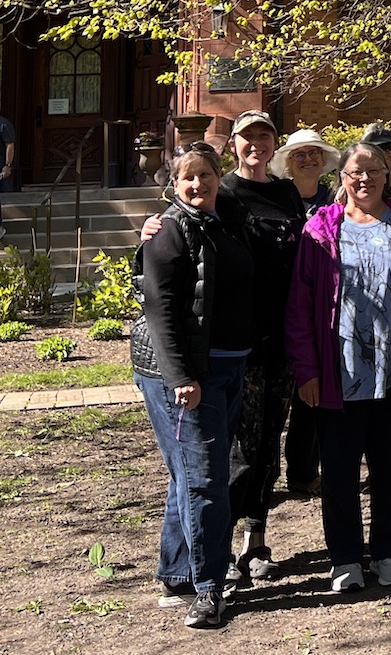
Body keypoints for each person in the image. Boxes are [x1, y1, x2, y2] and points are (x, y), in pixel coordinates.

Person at [285, 141, 391, 593]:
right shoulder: (320, 229)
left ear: (386, 175)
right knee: (338, 471)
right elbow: (300, 305)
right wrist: (307, 371)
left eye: (373, 170)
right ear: (343, 177)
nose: (364, 179)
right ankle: (346, 559)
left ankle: (390, 552)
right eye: (356, 171)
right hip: (339, 372)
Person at [132, 143, 256, 629]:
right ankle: (210, 587)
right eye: (188, 178)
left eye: (205, 175)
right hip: (185, 375)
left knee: (191, 473)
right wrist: (181, 377)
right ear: (174, 183)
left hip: (230, 366)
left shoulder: (230, 218)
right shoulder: (168, 230)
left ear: (218, 177)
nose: (198, 185)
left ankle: (178, 572)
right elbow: (159, 308)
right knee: (206, 479)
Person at [211, 110, 307, 583]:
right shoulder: (224, 192)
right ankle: (222, 545)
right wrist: (152, 229)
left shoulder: (287, 192)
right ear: (234, 144)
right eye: (247, 138)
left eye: (264, 138)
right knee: (240, 446)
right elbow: (186, 222)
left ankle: (257, 539)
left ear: (274, 144)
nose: (256, 145)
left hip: (283, 338)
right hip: (239, 341)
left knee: (271, 439)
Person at [270, 127, 341, 495]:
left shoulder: (335, 202)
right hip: (277, 307)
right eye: (300, 154)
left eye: (314, 153)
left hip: (319, 311)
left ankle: (302, 471)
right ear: (288, 162)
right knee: (275, 396)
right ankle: (265, 477)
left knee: (311, 395)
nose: (309, 159)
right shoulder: (277, 199)